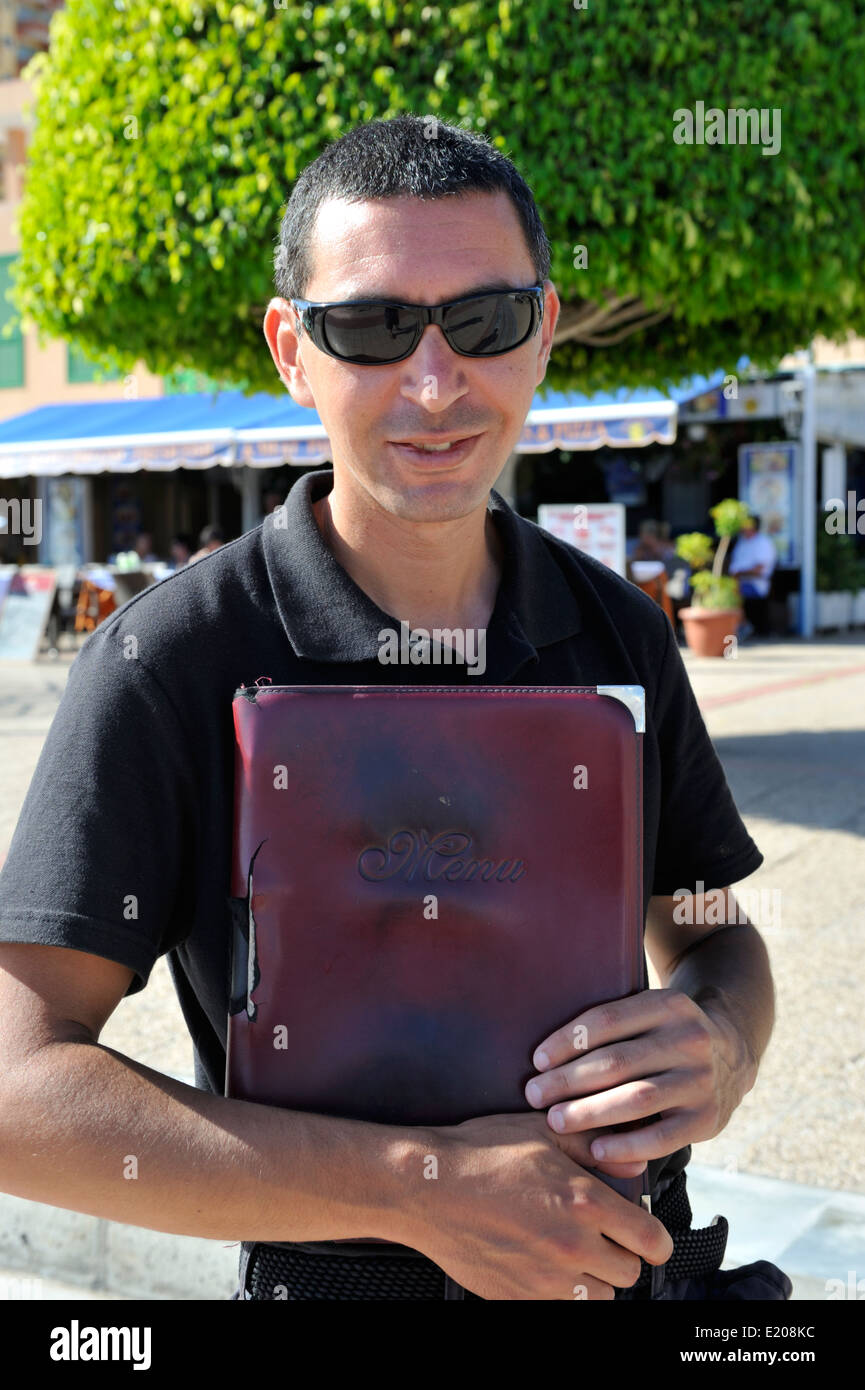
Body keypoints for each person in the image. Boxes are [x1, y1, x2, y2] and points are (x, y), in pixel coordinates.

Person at [0, 115, 786, 1303]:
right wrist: (421, 1187)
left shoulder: (618, 629)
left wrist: (721, 1036)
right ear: (290, 350)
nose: (434, 382)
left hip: (635, 1272)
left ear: (543, 333)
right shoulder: (166, 660)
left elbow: (714, 924)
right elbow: (19, 1091)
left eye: (483, 321)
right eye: (370, 328)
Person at [728, 513, 777, 638]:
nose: (743, 528)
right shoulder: (742, 542)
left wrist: (740, 573)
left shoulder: (763, 542)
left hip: (755, 584)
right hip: (739, 581)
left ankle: (743, 625)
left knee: (734, 592)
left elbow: (759, 569)